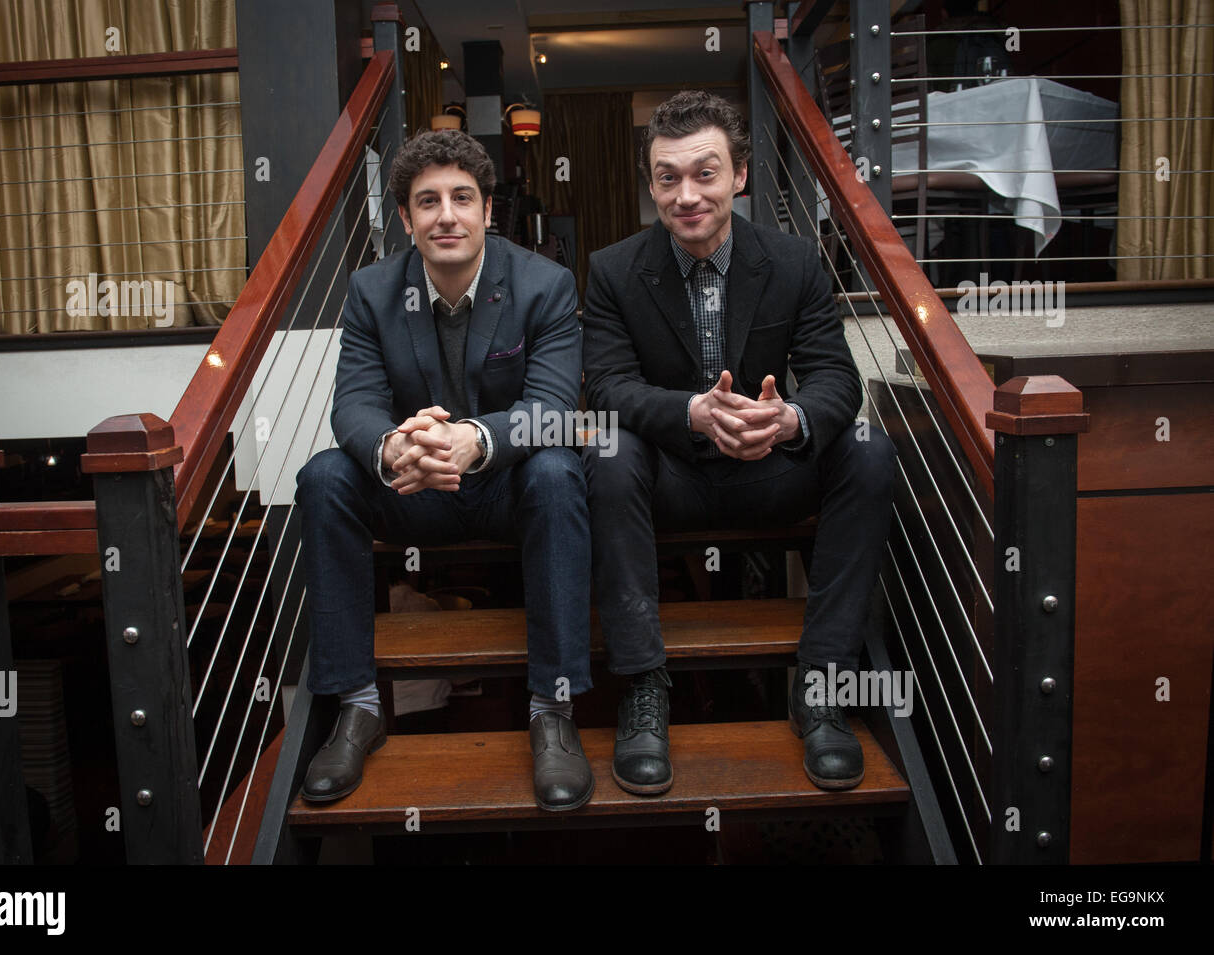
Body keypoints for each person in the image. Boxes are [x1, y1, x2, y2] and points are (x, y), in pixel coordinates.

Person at [581, 90, 896, 793]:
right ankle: (642, 688)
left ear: (739, 175)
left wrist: (789, 420)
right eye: (668, 177)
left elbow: (836, 378)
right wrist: (693, 411)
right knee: (604, 446)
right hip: (669, 480)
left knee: (870, 446)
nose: (687, 194)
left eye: (705, 173)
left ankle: (822, 685)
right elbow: (604, 386)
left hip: (770, 473)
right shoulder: (612, 271)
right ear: (651, 184)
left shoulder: (793, 261)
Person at [295, 129, 594, 811]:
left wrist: (471, 439)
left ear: (488, 209)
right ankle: (358, 706)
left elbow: (551, 408)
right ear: (405, 218)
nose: (446, 215)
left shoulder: (543, 284)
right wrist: (398, 446)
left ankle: (553, 709)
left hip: (506, 488)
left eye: (462, 198)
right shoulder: (371, 291)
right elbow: (355, 406)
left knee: (557, 466)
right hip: (415, 490)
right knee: (324, 478)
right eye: (427, 202)